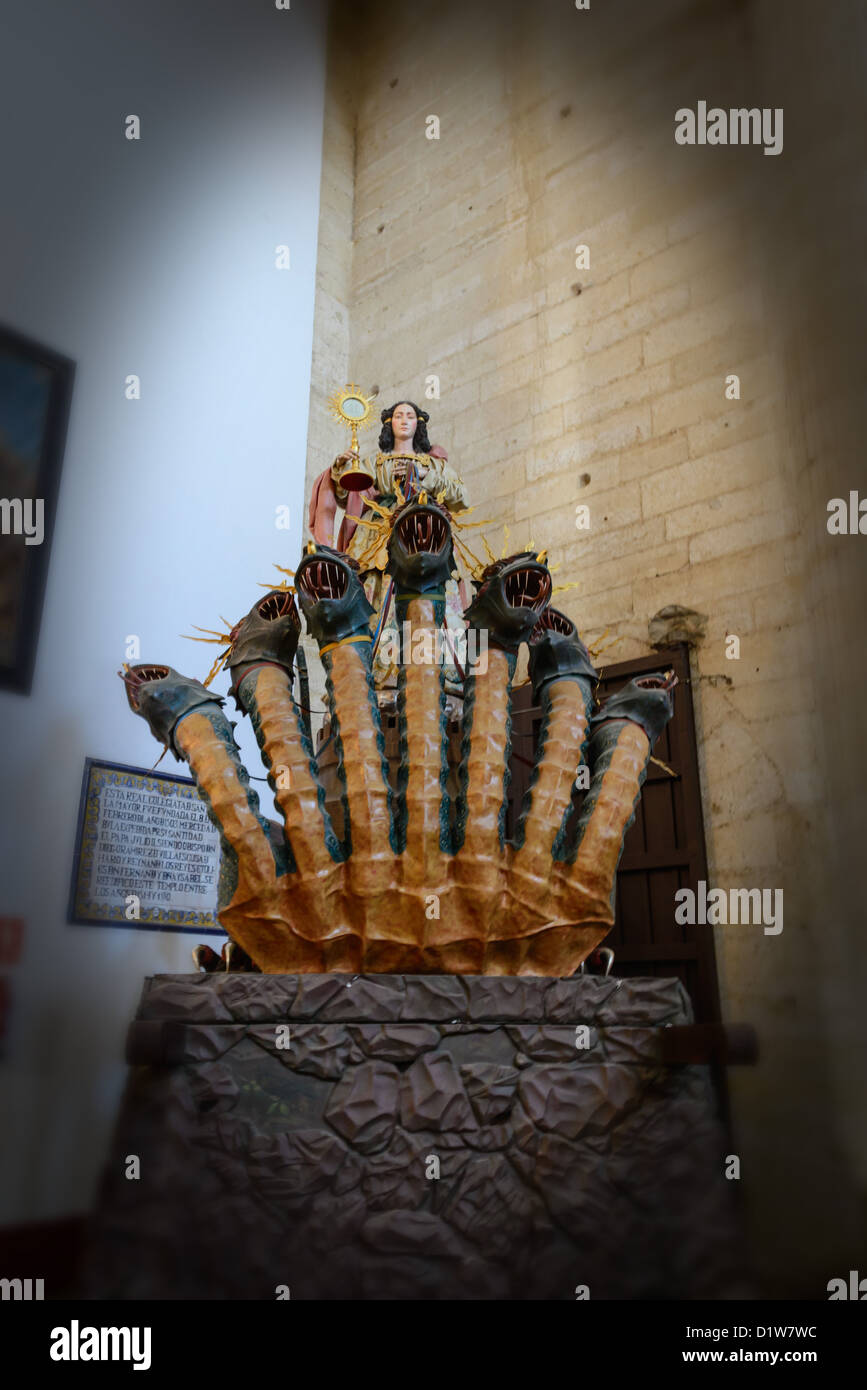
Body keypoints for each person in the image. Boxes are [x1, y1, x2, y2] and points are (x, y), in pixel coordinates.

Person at [307, 401, 469, 685]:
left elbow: (460, 496)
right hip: (379, 536)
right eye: (397, 416)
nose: (404, 421)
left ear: (419, 423)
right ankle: (378, 667)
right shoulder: (374, 463)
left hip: (424, 532)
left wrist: (423, 477)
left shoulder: (433, 463)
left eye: (409, 416)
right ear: (389, 424)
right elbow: (347, 494)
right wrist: (341, 469)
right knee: (377, 588)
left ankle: (435, 665)